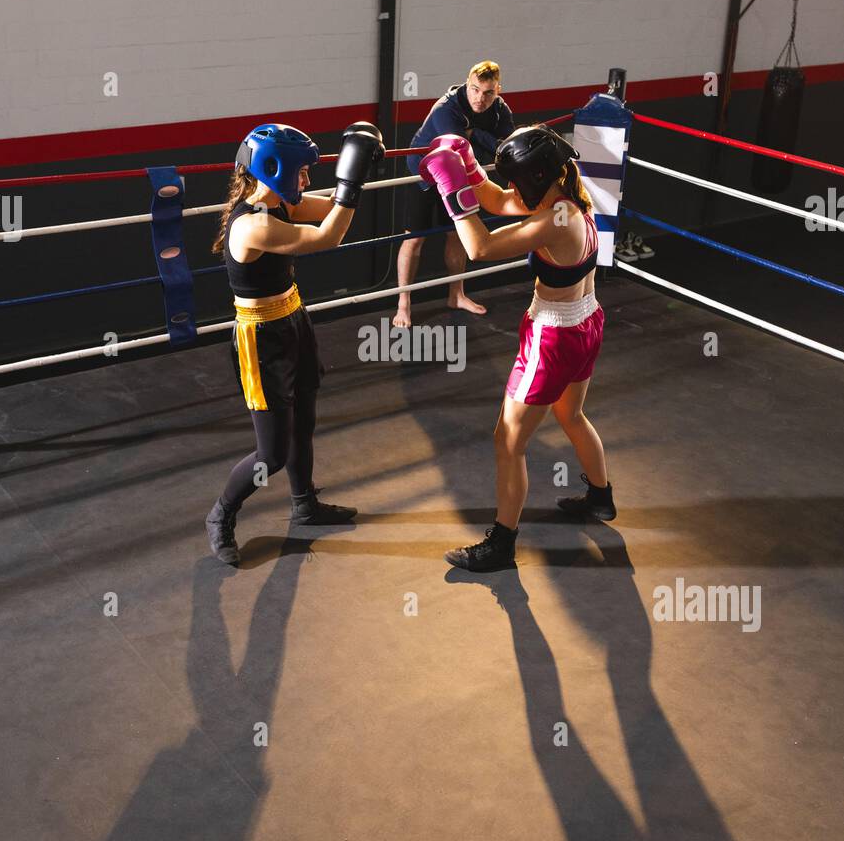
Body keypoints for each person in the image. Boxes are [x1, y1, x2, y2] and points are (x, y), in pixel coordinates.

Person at [418, 127, 615, 573]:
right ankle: (601, 498)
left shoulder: (551, 221)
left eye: (515, 181)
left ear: (533, 179)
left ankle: (501, 545)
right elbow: (496, 200)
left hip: (554, 337)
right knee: (571, 414)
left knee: (507, 442)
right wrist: (466, 166)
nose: (510, 189)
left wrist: (451, 191)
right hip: (587, 321)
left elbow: (479, 247)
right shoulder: (567, 199)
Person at [205, 120, 384, 566]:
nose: (306, 180)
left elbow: (329, 209)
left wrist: (352, 182)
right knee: (273, 453)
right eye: (301, 172)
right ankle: (220, 515)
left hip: (294, 321)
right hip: (261, 338)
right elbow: (330, 235)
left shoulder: (281, 203)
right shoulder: (252, 227)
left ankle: (304, 504)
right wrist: (351, 179)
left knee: (305, 420)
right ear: (273, 168)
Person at [393, 61, 515, 328]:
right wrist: (482, 140)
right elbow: (461, 149)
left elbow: (506, 148)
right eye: (474, 90)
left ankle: (456, 295)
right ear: (466, 84)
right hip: (424, 175)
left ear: (498, 91)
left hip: (460, 175)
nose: (480, 98)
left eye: (488, 93)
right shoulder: (446, 108)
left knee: (457, 235)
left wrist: (477, 133)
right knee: (414, 239)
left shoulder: (500, 110)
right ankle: (404, 303)